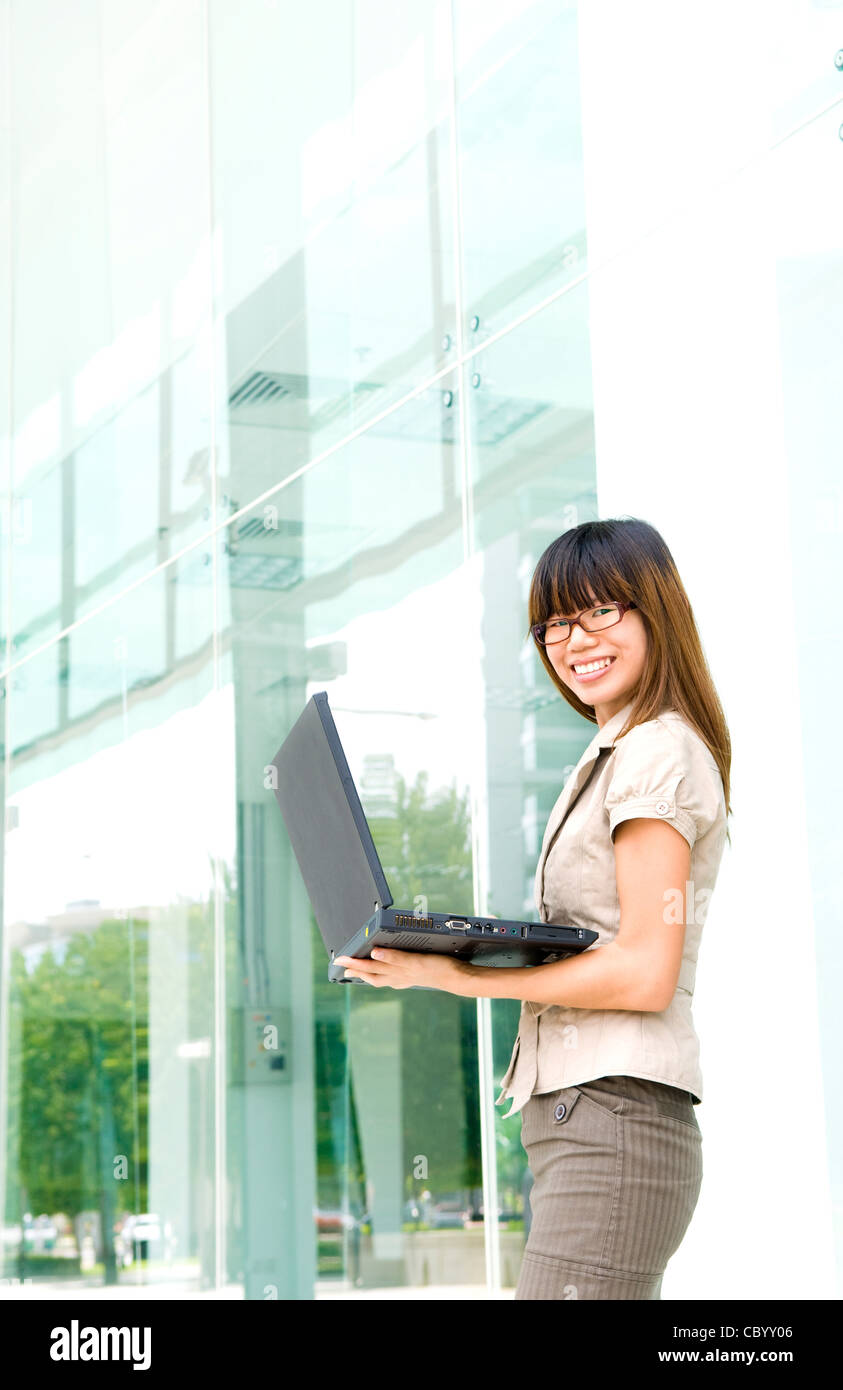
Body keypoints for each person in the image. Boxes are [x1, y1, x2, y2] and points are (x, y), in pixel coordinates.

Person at [335, 517, 731, 1300]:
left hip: (613, 1115)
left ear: (656, 610)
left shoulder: (656, 749)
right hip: (586, 1119)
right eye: (553, 622)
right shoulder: (616, 748)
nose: (572, 639)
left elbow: (643, 971)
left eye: (600, 611)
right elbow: (600, 943)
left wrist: (453, 978)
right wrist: (449, 950)